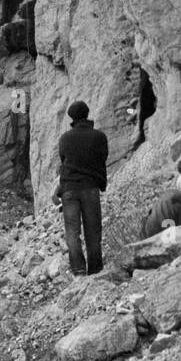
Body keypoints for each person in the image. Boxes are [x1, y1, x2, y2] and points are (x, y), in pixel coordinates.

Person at [55, 100, 107, 275]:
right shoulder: (99, 136)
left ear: (71, 117)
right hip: (90, 187)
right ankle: (95, 269)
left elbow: (64, 161)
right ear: (87, 113)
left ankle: (78, 269)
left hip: (69, 189)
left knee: (72, 232)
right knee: (93, 231)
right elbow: (102, 158)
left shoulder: (65, 138)